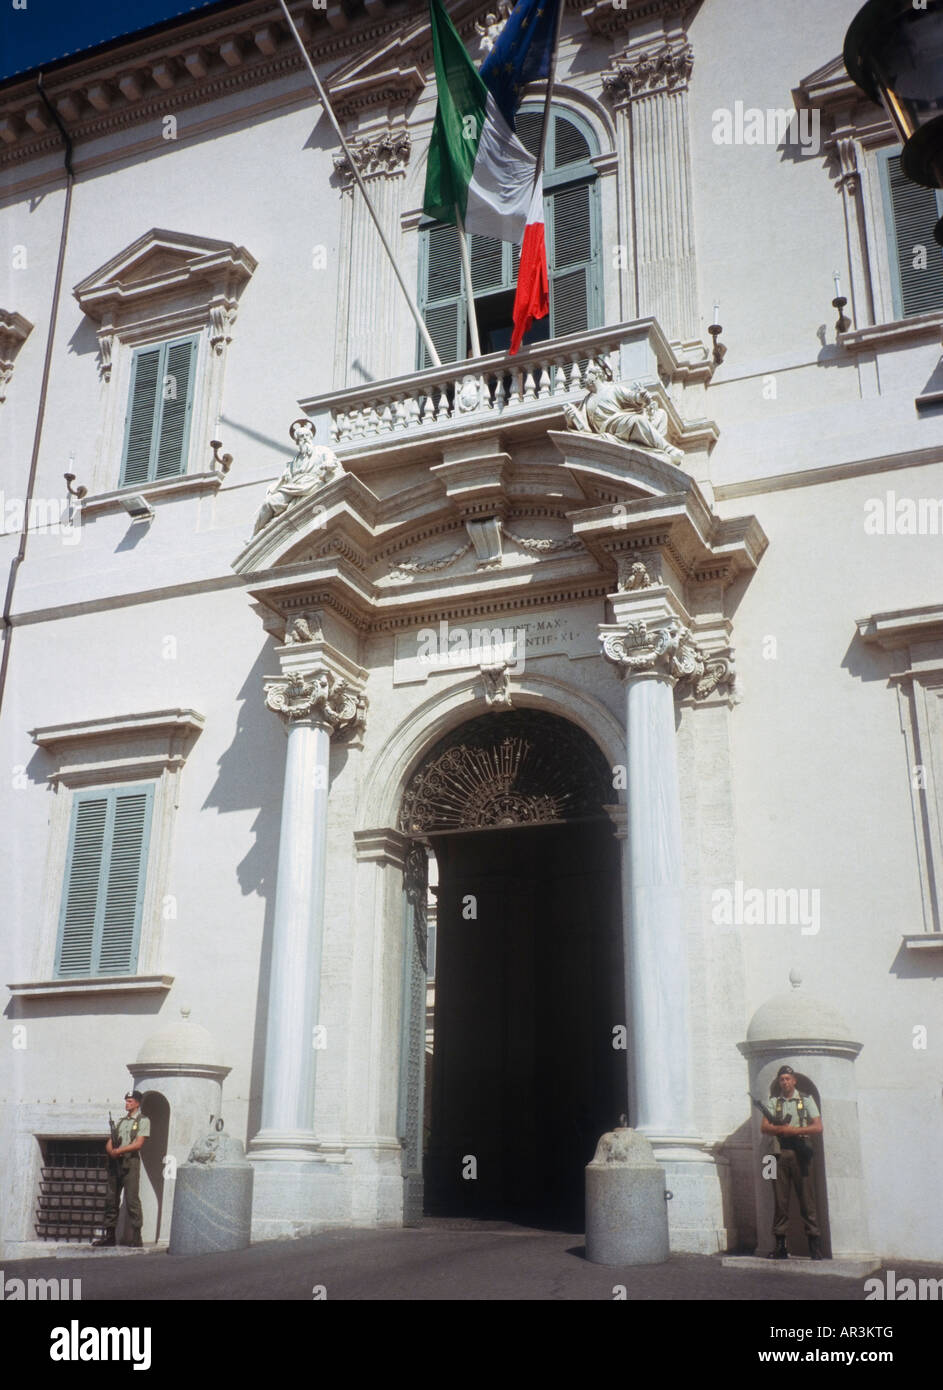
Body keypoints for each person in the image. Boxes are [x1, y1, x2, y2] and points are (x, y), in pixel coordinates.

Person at [760, 1065, 824, 1260]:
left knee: (807, 1199)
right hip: (778, 1155)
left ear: (794, 1080)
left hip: (801, 1153)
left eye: (788, 1079)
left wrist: (793, 1131)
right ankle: (780, 1245)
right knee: (780, 1201)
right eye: (782, 1080)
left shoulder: (806, 1100)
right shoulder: (773, 1102)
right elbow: (764, 1127)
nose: (785, 1082)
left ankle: (814, 1245)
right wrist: (781, 1131)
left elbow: (818, 1127)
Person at [563, 363, 684, 464]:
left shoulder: (612, 389)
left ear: (595, 375)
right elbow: (584, 429)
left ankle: (668, 449)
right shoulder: (586, 401)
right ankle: (666, 449)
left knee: (638, 421)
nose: (583, 379)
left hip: (619, 421)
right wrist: (570, 420)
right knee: (637, 421)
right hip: (606, 430)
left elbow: (633, 397)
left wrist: (641, 396)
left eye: (585, 376)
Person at [252, 418, 342, 534]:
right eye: (301, 437)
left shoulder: (321, 450)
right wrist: (276, 485)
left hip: (312, 483)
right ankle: (255, 535)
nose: (304, 438)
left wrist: (328, 464)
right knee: (269, 502)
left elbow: (332, 460)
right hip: (293, 486)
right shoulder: (294, 461)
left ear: (311, 437)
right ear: (297, 441)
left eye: (306, 435)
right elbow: (283, 479)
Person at [92, 1090, 150, 1248]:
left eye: (130, 1101)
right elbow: (111, 1140)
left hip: (130, 1162)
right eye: (126, 1101)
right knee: (111, 1199)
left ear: (137, 1103)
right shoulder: (120, 1121)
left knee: (132, 1200)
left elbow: (138, 1144)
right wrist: (111, 1150)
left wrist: (119, 1151)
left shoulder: (143, 1120)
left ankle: (136, 1236)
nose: (127, 1103)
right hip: (115, 1162)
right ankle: (109, 1235)